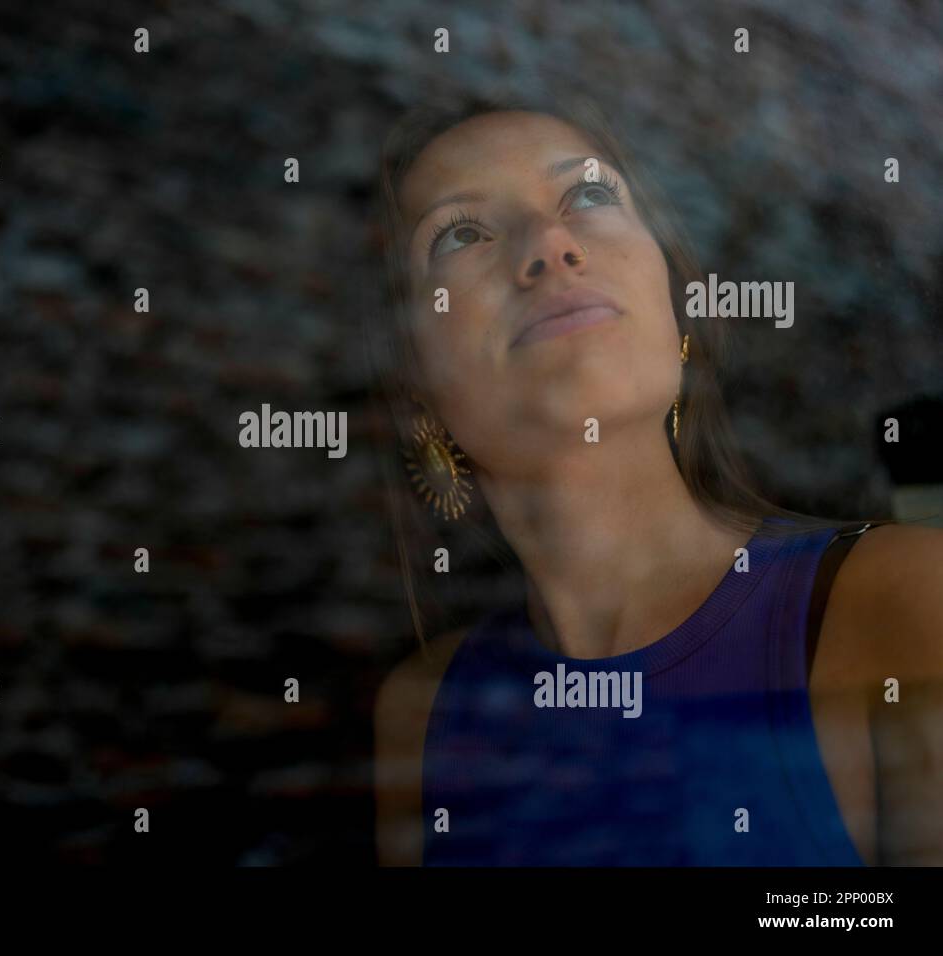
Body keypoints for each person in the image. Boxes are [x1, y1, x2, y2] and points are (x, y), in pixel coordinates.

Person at [369, 92, 943, 866]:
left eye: (590, 194)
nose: (551, 244)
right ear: (417, 387)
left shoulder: (907, 599)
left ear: (674, 304)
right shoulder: (428, 711)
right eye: (462, 232)